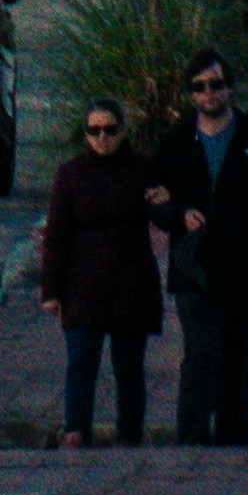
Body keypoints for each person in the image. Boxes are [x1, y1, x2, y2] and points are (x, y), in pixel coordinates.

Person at [154, 51, 248, 447]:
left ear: (230, 88)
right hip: (194, 269)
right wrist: (179, 215)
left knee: (237, 358)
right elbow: (155, 197)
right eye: (199, 87)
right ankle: (192, 441)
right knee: (200, 355)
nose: (209, 93)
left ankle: (234, 443)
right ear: (190, 93)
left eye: (216, 84)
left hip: (246, 270)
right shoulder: (177, 142)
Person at [38, 94, 162, 443]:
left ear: (123, 131)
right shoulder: (71, 173)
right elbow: (56, 234)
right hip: (83, 284)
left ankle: (130, 435)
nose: (102, 137)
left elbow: (163, 212)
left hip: (130, 281)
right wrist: (51, 291)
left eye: (110, 129)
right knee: (81, 361)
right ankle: (76, 430)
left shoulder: (142, 169)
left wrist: (169, 205)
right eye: (94, 130)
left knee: (129, 367)